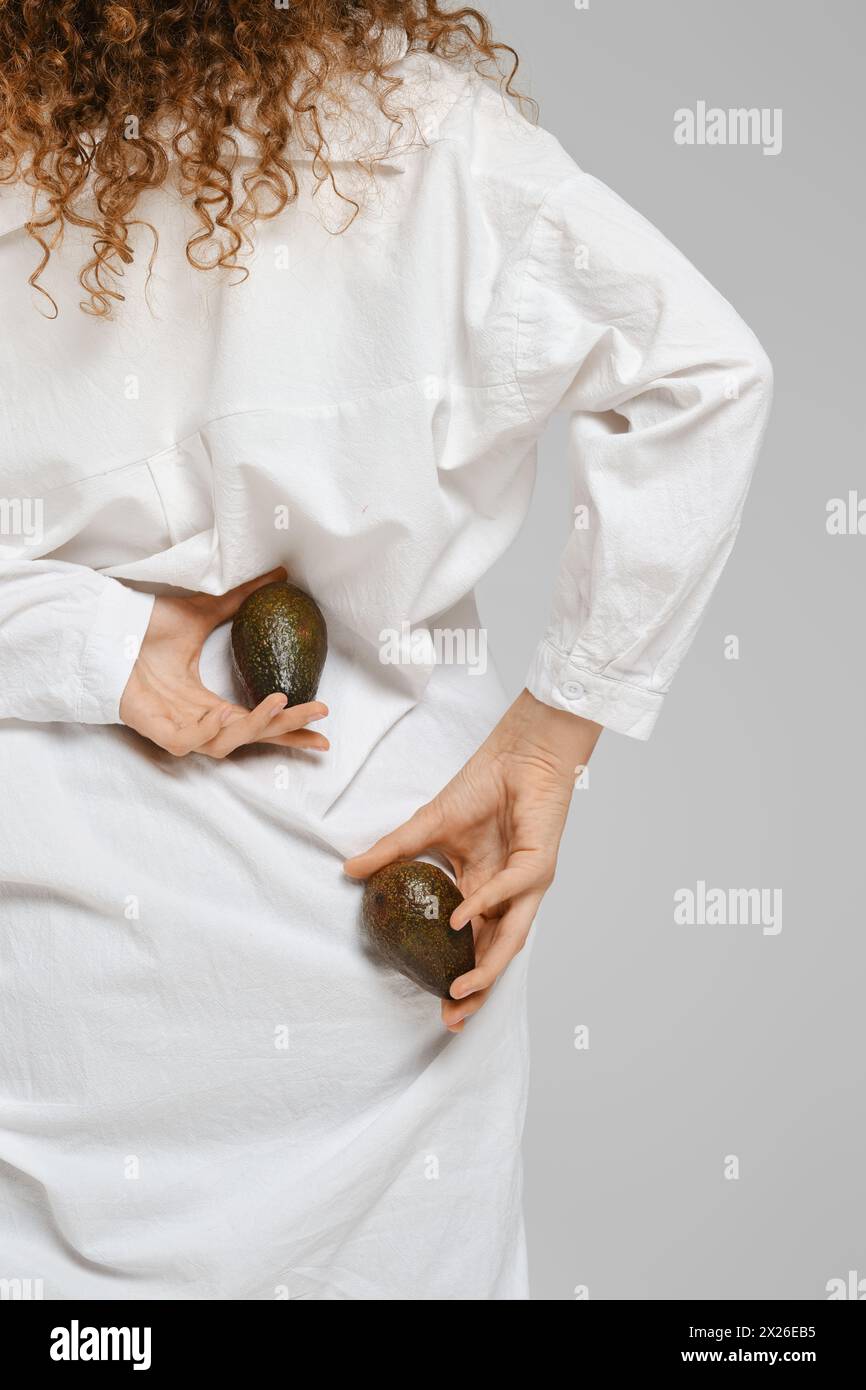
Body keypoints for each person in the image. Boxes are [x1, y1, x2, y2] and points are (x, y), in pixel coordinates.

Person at [0, 3, 771, 1300]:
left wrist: (96, 639)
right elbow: (703, 373)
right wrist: (551, 730)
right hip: (376, 876)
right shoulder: (423, 132)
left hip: (58, 932)